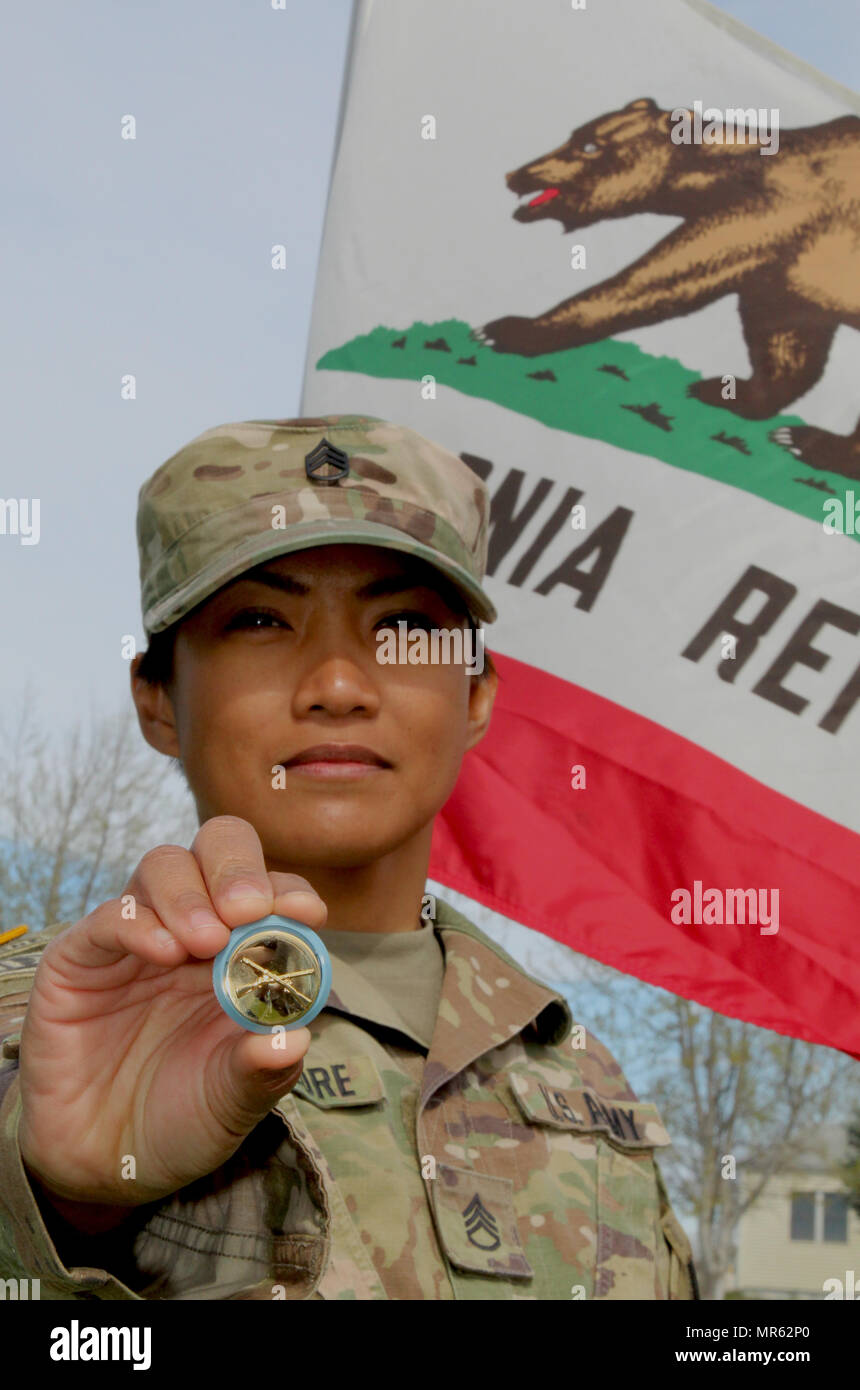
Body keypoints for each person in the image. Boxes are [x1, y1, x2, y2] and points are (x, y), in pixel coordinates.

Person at [0, 414, 697, 1300]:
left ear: (475, 695)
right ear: (157, 698)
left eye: (404, 626)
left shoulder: (574, 1065)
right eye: (260, 619)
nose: (336, 685)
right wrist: (59, 1201)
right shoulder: (48, 1030)